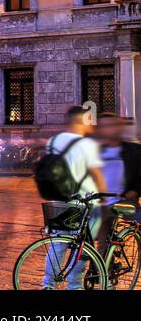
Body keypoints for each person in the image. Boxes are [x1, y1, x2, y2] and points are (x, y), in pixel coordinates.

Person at [41, 106, 108, 289]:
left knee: (58, 245)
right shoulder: (87, 145)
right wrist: (105, 198)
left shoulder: (53, 141)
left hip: (59, 200)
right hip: (86, 203)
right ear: (81, 120)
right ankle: (74, 286)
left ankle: (48, 285)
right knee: (84, 248)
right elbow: (97, 174)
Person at [90, 112, 140, 256]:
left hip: (126, 202)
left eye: (113, 125)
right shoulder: (94, 151)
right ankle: (101, 272)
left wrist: (135, 191)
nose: (109, 129)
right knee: (100, 245)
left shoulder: (133, 151)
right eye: (105, 126)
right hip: (101, 204)